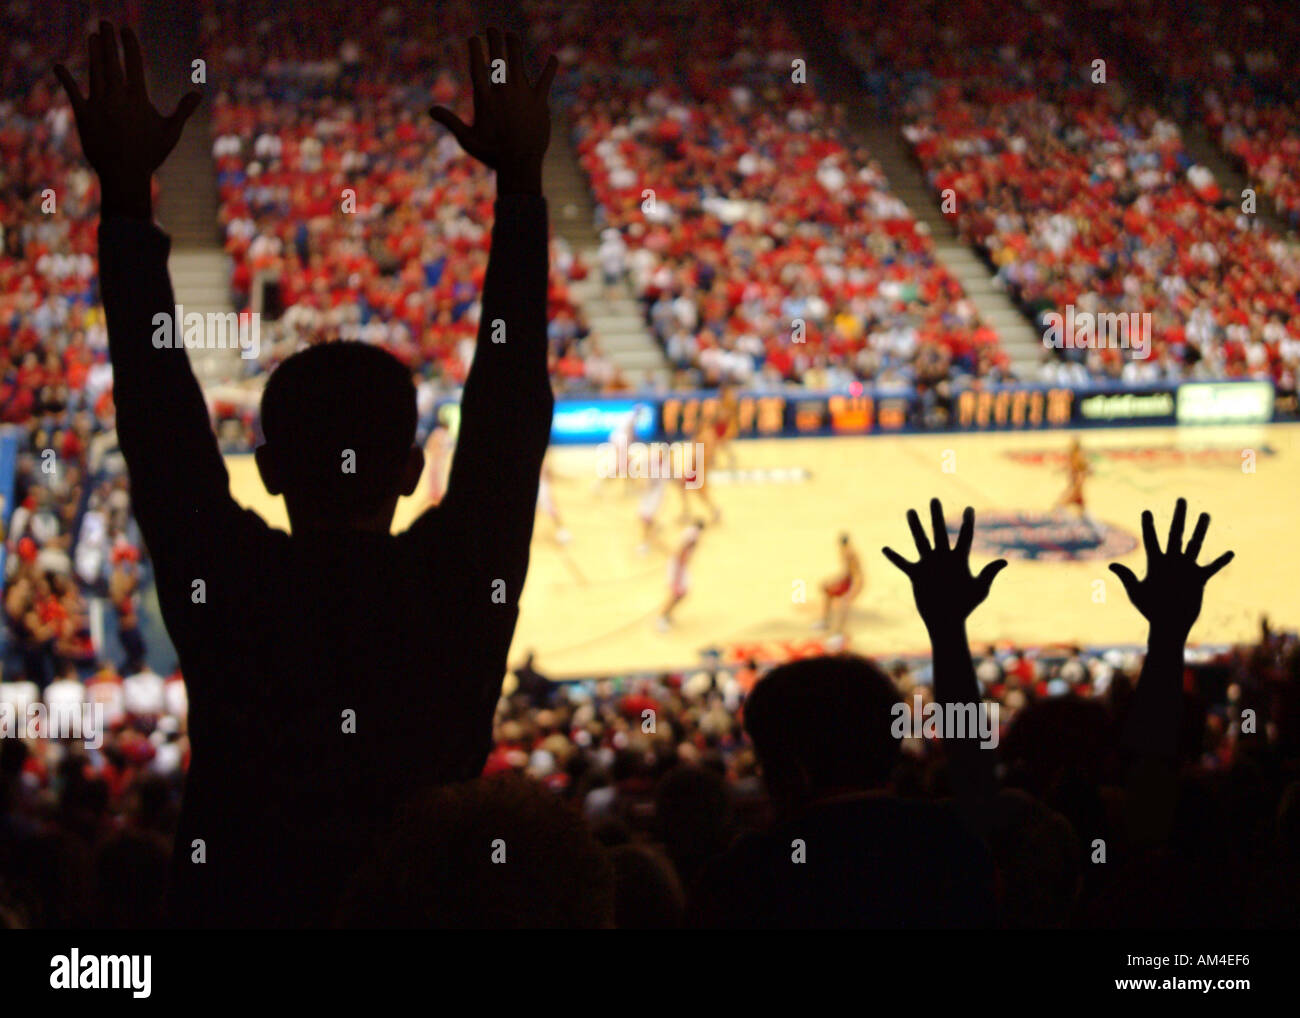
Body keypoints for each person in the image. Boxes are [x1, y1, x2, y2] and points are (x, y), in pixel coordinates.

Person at [57, 24, 558, 927]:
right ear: (411, 471)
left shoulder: (231, 586)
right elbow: (511, 406)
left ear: (269, 471)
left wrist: (127, 201)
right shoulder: (455, 583)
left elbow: (157, 413)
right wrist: (521, 188)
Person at [657, 519, 704, 630]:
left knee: (680, 593)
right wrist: (680, 563)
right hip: (679, 568)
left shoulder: (690, 532)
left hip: (680, 567)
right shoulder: (693, 535)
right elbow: (682, 549)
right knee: (677, 594)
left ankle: (666, 615)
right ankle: (662, 617)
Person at [816, 532, 864, 635]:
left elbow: (848, 572)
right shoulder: (849, 552)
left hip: (850, 582)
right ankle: (827, 622)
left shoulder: (848, 553)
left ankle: (837, 630)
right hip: (851, 581)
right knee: (830, 595)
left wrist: (832, 581)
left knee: (842, 605)